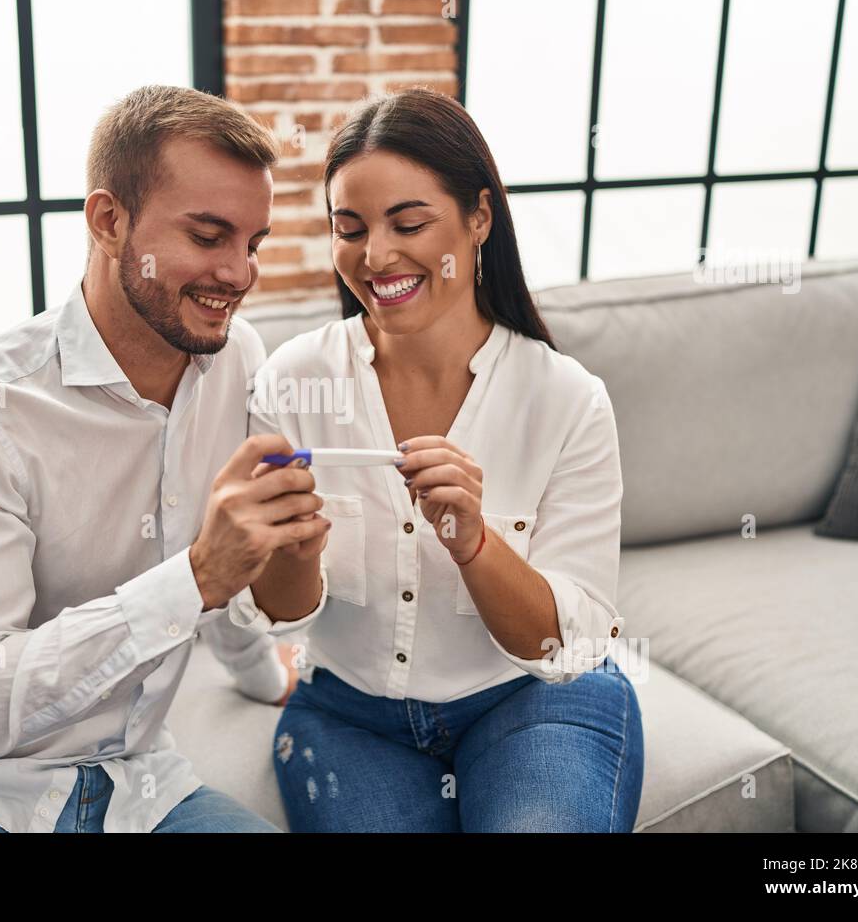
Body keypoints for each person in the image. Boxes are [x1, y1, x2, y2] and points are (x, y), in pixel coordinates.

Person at [0, 85, 328, 833]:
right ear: (109, 222)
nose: (240, 274)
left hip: (139, 788)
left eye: (253, 242)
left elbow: (229, 572)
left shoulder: (239, 362)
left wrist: (265, 672)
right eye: (208, 236)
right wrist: (194, 578)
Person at [248, 88, 645, 832]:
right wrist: (290, 550)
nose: (376, 256)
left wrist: (475, 544)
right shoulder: (292, 383)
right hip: (349, 718)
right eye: (350, 228)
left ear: (479, 218)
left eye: (409, 222)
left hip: (533, 698)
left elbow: (569, 643)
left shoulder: (566, 400)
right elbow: (278, 613)